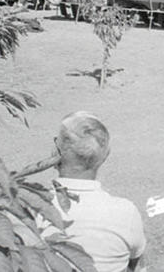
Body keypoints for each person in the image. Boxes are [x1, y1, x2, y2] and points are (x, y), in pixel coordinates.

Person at [42, 112, 146, 272]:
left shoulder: (29, 209)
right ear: (105, 156)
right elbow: (136, 266)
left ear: (55, 151)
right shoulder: (126, 213)